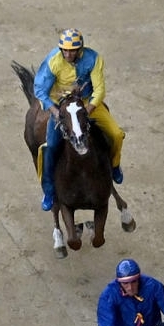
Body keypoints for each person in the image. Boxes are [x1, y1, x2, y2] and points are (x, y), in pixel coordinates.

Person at [30, 28, 125, 209]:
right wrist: (55, 111)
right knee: (50, 147)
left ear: (80, 49)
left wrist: (87, 110)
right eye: (65, 50)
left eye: (72, 50)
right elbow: (40, 89)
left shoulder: (93, 59)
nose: (68, 54)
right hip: (62, 107)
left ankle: (114, 166)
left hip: (88, 104)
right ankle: (49, 191)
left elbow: (99, 89)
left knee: (117, 134)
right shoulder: (53, 61)